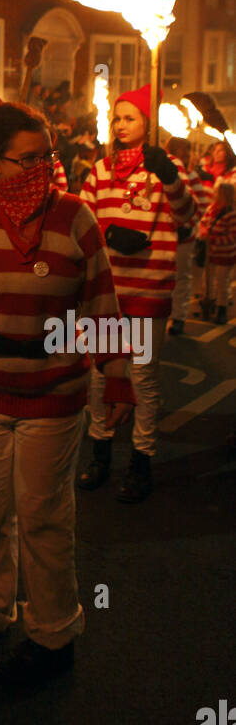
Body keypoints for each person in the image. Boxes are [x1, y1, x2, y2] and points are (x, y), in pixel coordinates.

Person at [0, 102, 130, 688]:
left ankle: (53, 634)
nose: (40, 169)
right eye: (26, 160)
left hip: (54, 393)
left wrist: (117, 373)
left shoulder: (76, 218)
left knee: (45, 516)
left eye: (46, 156)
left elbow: (102, 297)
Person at [78, 85, 194, 502]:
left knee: (142, 378)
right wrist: (109, 232)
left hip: (147, 290)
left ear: (148, 123)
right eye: (117, 118)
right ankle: (101, 452)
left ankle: (141, 460)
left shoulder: (166, 167)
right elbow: (85, 221)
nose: (121, 125)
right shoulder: (100, 170)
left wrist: (169, 176)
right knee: (99, 375)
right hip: (108, 294)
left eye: (130, 117)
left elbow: (187, 214)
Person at [165, 135, 206, 336]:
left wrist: (188, 223)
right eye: (181, 150)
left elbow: (201, 206)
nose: (185, 154)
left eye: (186, 150)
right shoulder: (160, 173)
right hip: (164, 235)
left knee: (182, 277)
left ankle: (179, 317)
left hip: (185, 236)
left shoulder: (192, 177)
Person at [198, 179, 236, 325]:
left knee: (222, 282)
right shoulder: (212, 208)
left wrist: (212, 239)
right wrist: (203, 231)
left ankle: (222, 309)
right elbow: (203, 222)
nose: (213, 194)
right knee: (207, 280)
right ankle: (209, 304)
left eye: (217, 192)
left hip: (224, 254)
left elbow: (232, 237)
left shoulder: (232, 213)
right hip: (211, 253)